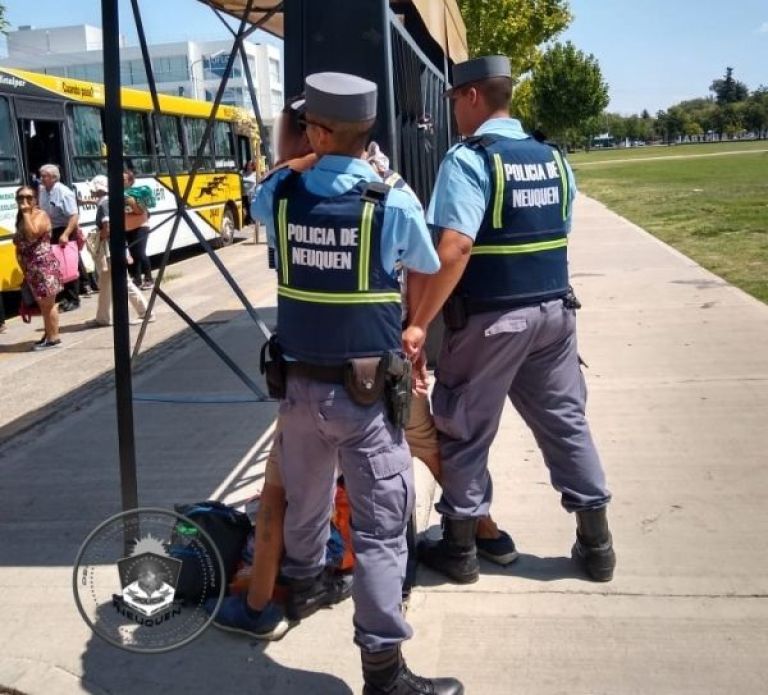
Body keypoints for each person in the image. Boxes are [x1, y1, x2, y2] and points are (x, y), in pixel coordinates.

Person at [252, 72, 461, 694]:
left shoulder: (281, 194)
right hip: (367, 398)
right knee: (378, 527)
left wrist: (303, 155)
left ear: (316, 131)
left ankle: (309, 583)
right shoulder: (390, 199)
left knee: (307, 501)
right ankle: (384, 674)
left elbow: (279, 176)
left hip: (295, 391)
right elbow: (425, 261)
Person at [403, 55, 616, 585]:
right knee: (566, 425)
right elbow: (559, 227)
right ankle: (597, 546)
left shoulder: (469, 159)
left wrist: (421, 321)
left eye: (454, 99)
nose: (452, 109)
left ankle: (459, 549)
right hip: (555, 315)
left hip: (492, 320)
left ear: (472, 96)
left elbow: (454, 247)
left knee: (464, 430)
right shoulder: (552, 156)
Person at [85, 176, 154, 328]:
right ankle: (102, 317)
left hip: (110, 250)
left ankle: (145, 312)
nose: (91, 191)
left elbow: (108, 228)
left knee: (124, 282)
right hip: (116, 248)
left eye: (93, 189)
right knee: (106, 284)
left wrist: (98, 236)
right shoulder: (110, 200)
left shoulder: (104, 204)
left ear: (98, 189)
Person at [12, 186, 62, 350]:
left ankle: (54, 339)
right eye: (20, 198)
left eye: (28, 198)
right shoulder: (21, 217)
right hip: (32, 268)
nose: (24, 201)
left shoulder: (40, 215)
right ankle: (48, 334)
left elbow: (33, 233)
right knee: (42, 305)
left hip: (43, 266)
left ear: (35, 200)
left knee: (48, 304)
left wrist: (26, 213)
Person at [38, 164, 80, 312]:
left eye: (45, 176)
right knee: (56, 267)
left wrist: (66, 234)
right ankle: (62, 298)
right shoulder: (42, 191)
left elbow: (74, 215)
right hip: (51, 230)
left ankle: (73, 299)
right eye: (41, 175)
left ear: (54, 178)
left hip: (64, 229)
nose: (41, 178)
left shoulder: (64, 192)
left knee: (68, 265)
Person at [123, 169, 154, 290]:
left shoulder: (135, 194)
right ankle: (137, 280)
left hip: (141, 226)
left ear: (130, 181)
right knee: (133, 254)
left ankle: (149, 279)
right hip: (127, 228)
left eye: (123, 179)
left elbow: (139, 211)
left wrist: (131, 203)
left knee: (140, 253)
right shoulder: (119, 194)